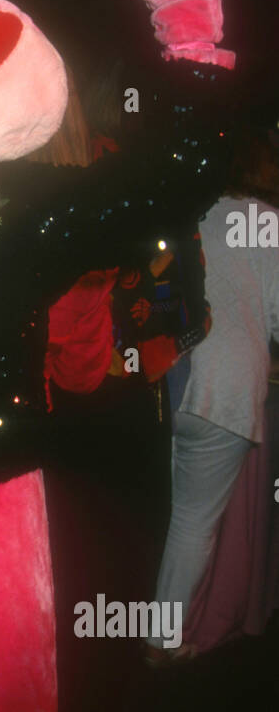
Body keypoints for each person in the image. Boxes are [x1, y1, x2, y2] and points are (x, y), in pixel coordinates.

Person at [149, 124, 279, 661]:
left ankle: (165, 622)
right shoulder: (265, 221)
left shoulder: (190, 210)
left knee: (176, 510)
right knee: (194, 522)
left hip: (169, 376)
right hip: (226, 387)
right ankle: (163, 640)